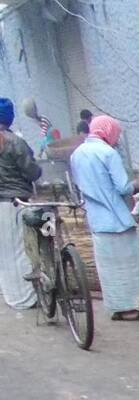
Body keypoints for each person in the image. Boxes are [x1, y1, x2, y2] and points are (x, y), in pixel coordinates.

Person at [68, 115, 139, 320]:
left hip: (97, 219)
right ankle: (135, 305)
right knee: (135, 265)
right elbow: (122, 187)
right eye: (116, 135)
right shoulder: (108, 153)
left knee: (109, 269)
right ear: (109, 133)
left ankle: (118, 307)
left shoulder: (77, 153)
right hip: (117, 217)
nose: (117, 140)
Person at [0, 95, 40, 310]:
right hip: (16, 203)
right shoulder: (14, 141)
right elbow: (31, 171)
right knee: (23, 249)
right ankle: (27, 298)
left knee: (5, 252)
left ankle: (12, 296)